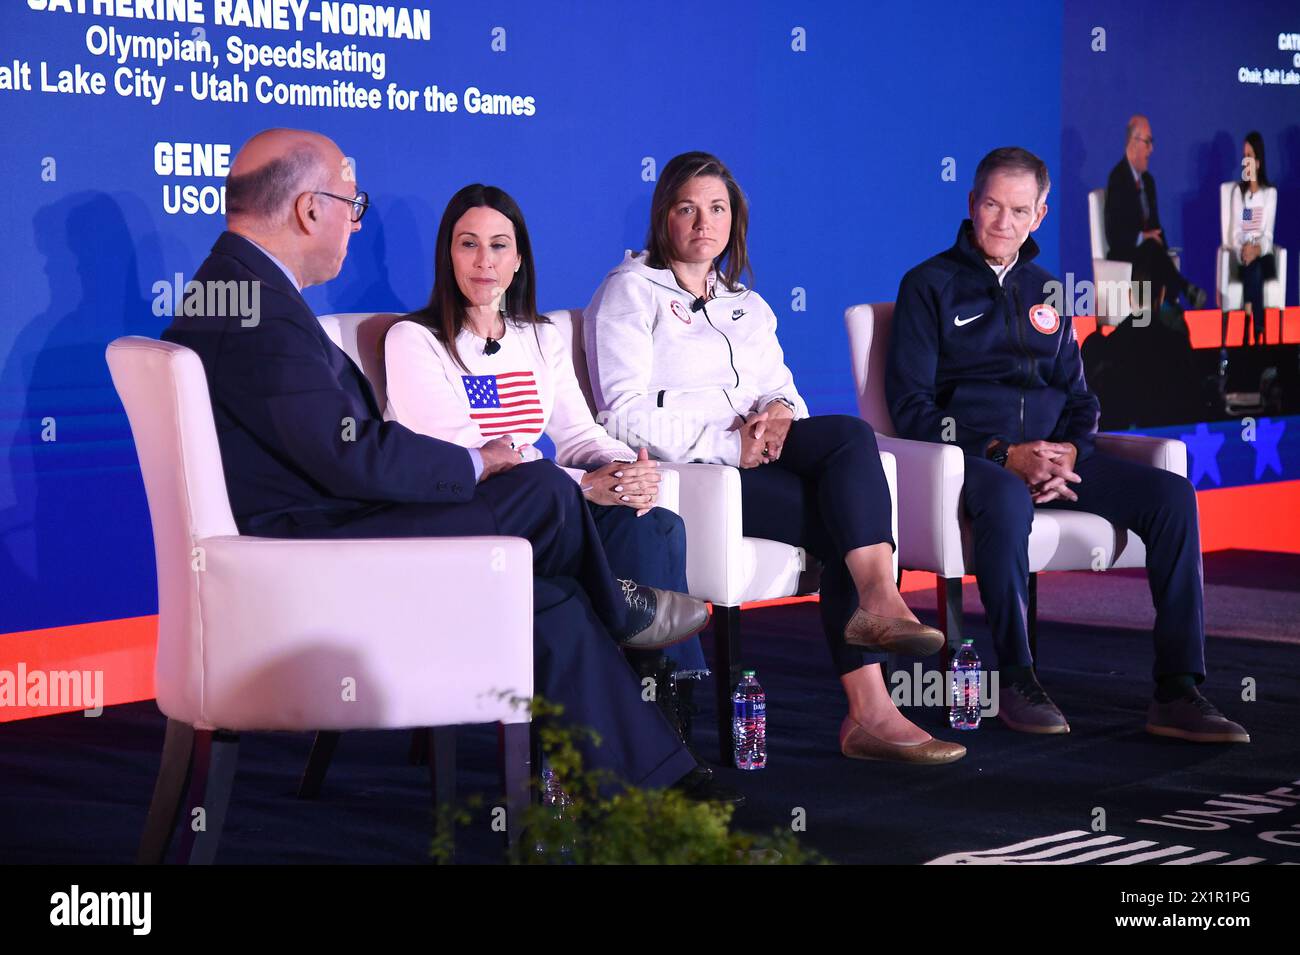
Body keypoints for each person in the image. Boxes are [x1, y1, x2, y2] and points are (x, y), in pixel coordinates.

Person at [160, 128, 729, 800]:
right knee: (542, 488)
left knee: (552, 596)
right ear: (311, 209)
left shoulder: (237, 289)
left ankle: (651, 788)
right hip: (313, 556)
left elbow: (334, 446)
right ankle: (625, 612)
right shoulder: (257, 310)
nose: (353, 221)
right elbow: (347, 453)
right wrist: (476, 461)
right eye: (352, 203)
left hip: (325, 531)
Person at [584, 151, 965, 765]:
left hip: (759, 458)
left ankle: (875, 627)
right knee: (849, 516)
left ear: (734, 221)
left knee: (844, 437)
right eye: (687, 209)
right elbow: (622, 413)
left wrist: (782, 413)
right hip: (700, 477)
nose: (703, 223)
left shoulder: (747, 303)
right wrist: (726, 443)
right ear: (664, 218)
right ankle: (872, 695)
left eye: (717, 209)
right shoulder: (629, 293)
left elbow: (782, 388)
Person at [887, 145, 1249, 743]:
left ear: (1042, 214)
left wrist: (1071, 453)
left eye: (1020, 210)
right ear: (971, 203)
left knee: (1173, 498)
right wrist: (1005, 453)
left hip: (1060, 458)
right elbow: (913, 409)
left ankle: (1177, 689)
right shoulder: (929, 286)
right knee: (1006, 497)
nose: (1004, 224)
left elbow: (1081, 400)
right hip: (976, 462)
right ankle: (1017, 681)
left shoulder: (1047, 290)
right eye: (992, 206)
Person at [383, 182, 711, 753]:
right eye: (468, 244)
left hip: (553, 504)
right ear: (448, 255)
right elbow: (468, 449)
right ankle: (624, 729)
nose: (485, 261)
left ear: (518, 261)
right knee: (595, 512)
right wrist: (585, 485)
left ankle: (669, 731)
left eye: (499, 245)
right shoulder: (414, 340)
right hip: (474, 514)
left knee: (654, 523)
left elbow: (578, 433)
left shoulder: (540, 339)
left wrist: (619, 468)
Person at [1105, 115, 1208, 310]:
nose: (1151, 150)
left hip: (1149, 254)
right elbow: (1114, 234)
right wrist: (1143, 237)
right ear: (1134, 142)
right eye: (1148, 142)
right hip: (1125, 255)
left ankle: (1171, 312)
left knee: (1155, 250)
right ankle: (1183, 291)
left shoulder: (1148, 182)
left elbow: (1156, 227)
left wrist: (1163, 248)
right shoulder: (1117, 178)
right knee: (1152, 247)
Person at [1231, 131, 1278, 345]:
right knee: (1252, 267)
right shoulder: (1239, 194)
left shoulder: (1269, 194)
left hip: (1263, 258)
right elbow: (1237, 233)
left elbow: (1268, 236)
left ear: (1258, 162)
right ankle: (1258, 331)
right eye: (1244, 156)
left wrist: (1256, 249)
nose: (1245, 161)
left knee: (1257, 265)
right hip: (1245, 257)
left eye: (1249, 155)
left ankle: (1249, 319)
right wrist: (1246, 247)